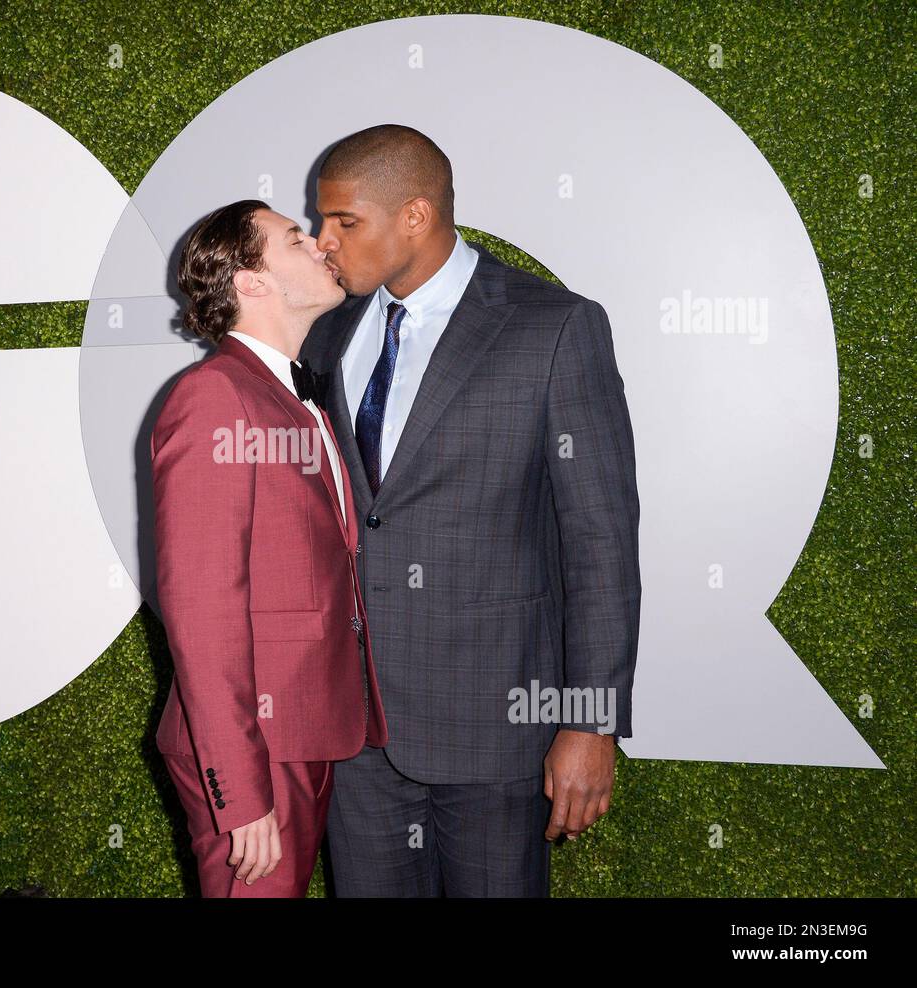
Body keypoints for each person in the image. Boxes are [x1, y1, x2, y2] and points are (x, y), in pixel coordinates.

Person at [301, 124, 642, 896]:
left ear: (415, 217)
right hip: (353, 733)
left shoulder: (553, 327)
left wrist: (590, 722)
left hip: (500, 730)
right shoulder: (325, 331)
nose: (323, 243)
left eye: (344, 222)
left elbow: (600, 540)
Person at [151, 199, 389, 897]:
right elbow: (201, 607)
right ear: (251, 281)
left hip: (305, 733)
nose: (320, 243)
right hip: (255, 748)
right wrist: (241, 789)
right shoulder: (214, 398)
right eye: (294, 238)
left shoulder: (293, 396)